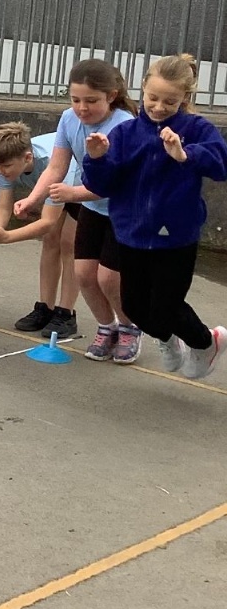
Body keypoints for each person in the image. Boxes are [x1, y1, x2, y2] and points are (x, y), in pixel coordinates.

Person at [83, 54, 227, 380]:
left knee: (165, 308)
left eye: (170, 101)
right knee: (134, 308)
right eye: (153, 97)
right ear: (142, 89)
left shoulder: (195, 129)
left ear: (185, 99)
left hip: (175, 237)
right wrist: (97, 159)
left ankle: (208, 342)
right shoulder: (125, 134)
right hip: (131, 234)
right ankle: (169, 338)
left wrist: (185, 154)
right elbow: (100, 184)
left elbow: (221, 164)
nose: (159, 106)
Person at [14, 59, 139, 364]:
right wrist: (33, 198)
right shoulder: (69, 120)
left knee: (109, 279)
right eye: (76, 99)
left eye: (91, 101)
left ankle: (129, 328)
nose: (82, 108)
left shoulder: (124, 125)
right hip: (92, 208)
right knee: (84, 275)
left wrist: (74, 193)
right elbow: (57, 166)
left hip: (124, 210)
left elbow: (117, 183)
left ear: (111, 95)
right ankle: (106, 327)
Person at [0, 122, 80, 339]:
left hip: (80, 186)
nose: (0, 171)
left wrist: (7, 237)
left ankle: (66, 312)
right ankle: (45, 307)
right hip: (55, 189)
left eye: (5, 166)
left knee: (68, 243)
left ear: (27, 158)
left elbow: (47, 221)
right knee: (50, 241)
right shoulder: (6, 161)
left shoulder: (49, 164)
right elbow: (4, 204)